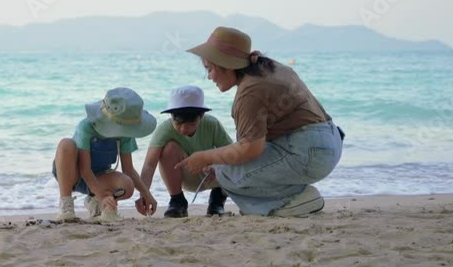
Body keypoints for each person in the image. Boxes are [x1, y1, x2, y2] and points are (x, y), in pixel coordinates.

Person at [180, 27, 344, 216]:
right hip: (329, 143)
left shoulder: (250, 91)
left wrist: (206, 157)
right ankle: (290, 199)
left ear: (226, 64)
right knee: (225, 166)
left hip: (308, 152)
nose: (209, 76)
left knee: (224, 173)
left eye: (209, 69)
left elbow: (249, 150)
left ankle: (291, 200)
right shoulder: (270, 68)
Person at [52, 87, 158, 221]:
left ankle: (97, 203)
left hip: (100, 177)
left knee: (127, 184)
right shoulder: (87, 127)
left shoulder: (125, 134)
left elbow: (129, 170)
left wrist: (146, 194)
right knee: (66, 144)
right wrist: (102, 195)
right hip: (72, 174)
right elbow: (85, 170)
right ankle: (66, 205)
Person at [140, 86, 234, 217]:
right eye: (178, 123)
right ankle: (177, 201)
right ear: (171, 116)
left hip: (214, 176)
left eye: (190, 124)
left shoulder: (211, 124)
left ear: (201, 115)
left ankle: (216, 203)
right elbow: (149, 165)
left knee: (232, 158)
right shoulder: (165, 129)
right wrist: (144, 194)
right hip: (185, 176)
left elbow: (234, 155)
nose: (183, 130)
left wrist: (216, 166)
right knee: (169, 148)